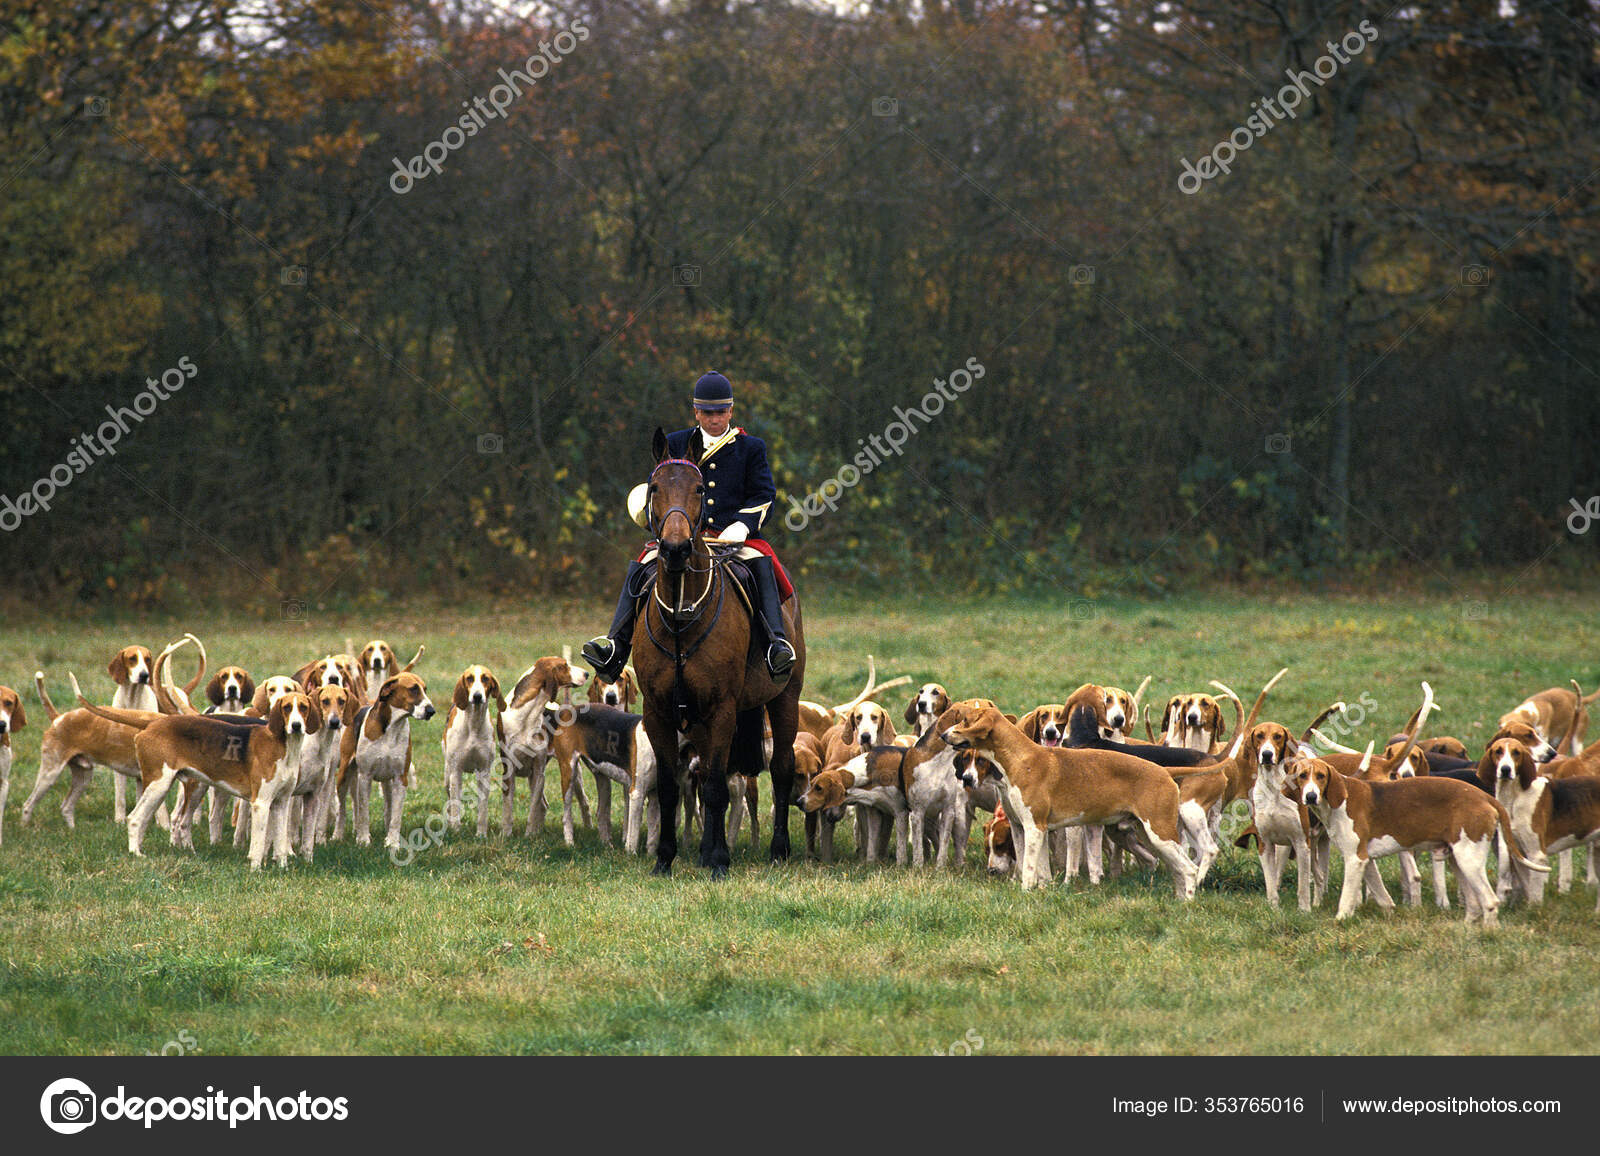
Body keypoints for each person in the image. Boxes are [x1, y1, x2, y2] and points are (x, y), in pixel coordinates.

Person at [581, 371, 797, 681]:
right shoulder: (675, 443)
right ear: (696, 411)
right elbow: (658, 491)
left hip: (733, 538)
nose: (714, 419)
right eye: (707, 412)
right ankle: (615, 646)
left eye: (721, 412)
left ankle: (776, 645)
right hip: (681, 536)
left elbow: (764, 496)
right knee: (642, 565)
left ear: (731, 411)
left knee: (762, 565)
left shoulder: (751, 448)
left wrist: (741, 525)